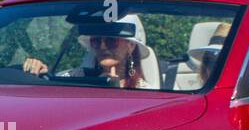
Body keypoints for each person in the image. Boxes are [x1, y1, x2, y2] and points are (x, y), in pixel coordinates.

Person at [22, 15, 153, 89]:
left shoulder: (147, 92)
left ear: (130, 46)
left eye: (111, 41)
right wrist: (40, 73)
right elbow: (51, 92)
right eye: (96, 41)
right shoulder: (73, 78)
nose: (102, 46)